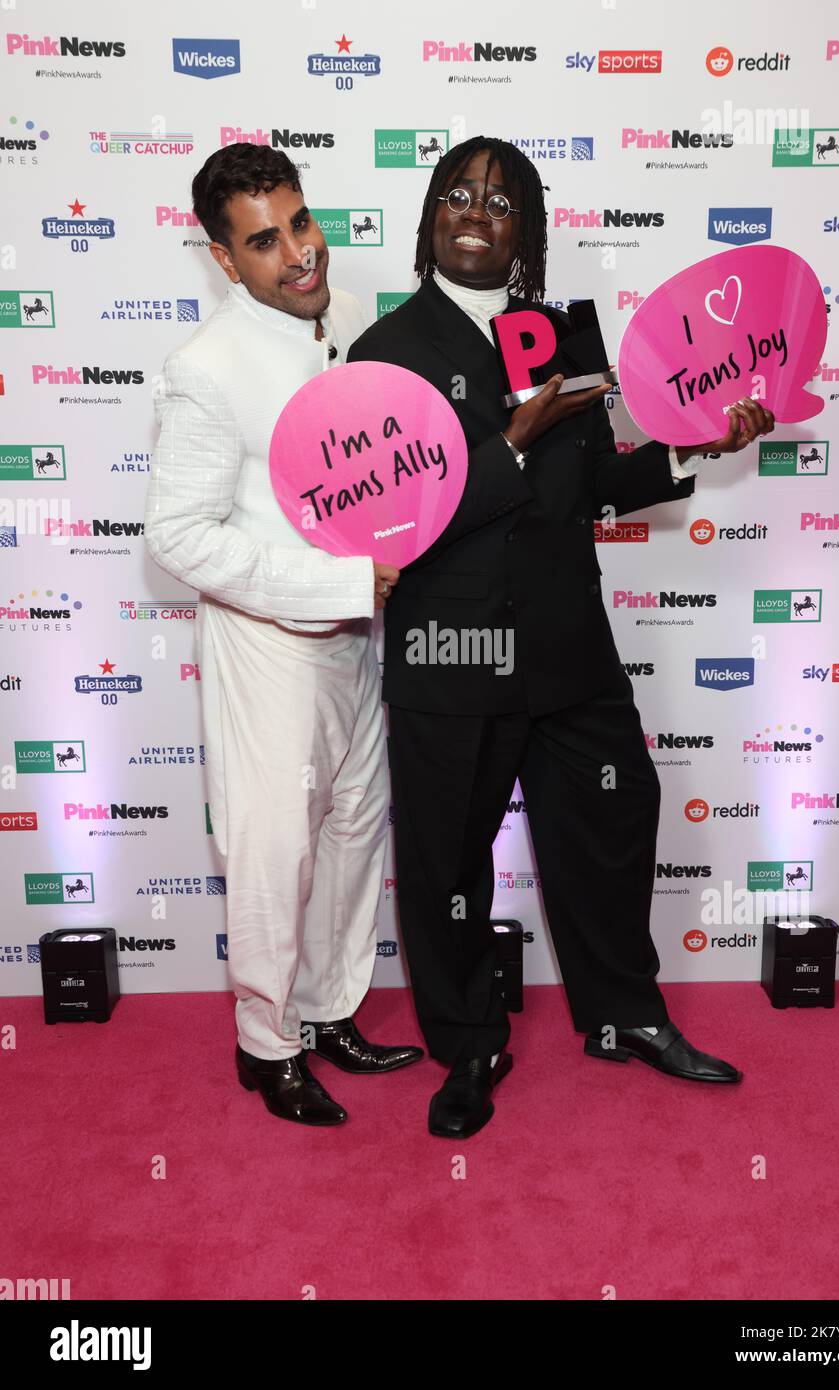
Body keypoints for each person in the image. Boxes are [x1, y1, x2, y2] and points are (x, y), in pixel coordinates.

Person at [348, 136, 775, 1139]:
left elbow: (599, 482)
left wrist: (692, 445)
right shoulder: (386, 354)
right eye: (456, 193)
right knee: (449, 865)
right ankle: (466, 1046)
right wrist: (510, 443)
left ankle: (623, 1013)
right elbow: (395, 522)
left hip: (567, 647)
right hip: (451, 658)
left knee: (612, 825)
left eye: (500, 203)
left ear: (525, 233)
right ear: (427, 218)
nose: (474, 212)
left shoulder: (563, 336)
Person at [145, 143, 422, 1129]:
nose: (299, 253)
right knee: (272, 853)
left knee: (353, 831)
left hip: (356, 635)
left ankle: (327, 1010)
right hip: (268, 643)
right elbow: (176, 534)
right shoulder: (204, 368)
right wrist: (336, 578)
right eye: (264, 241)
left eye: (300, 223)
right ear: (225, 259)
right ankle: (267, 1047)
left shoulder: (350, 319)